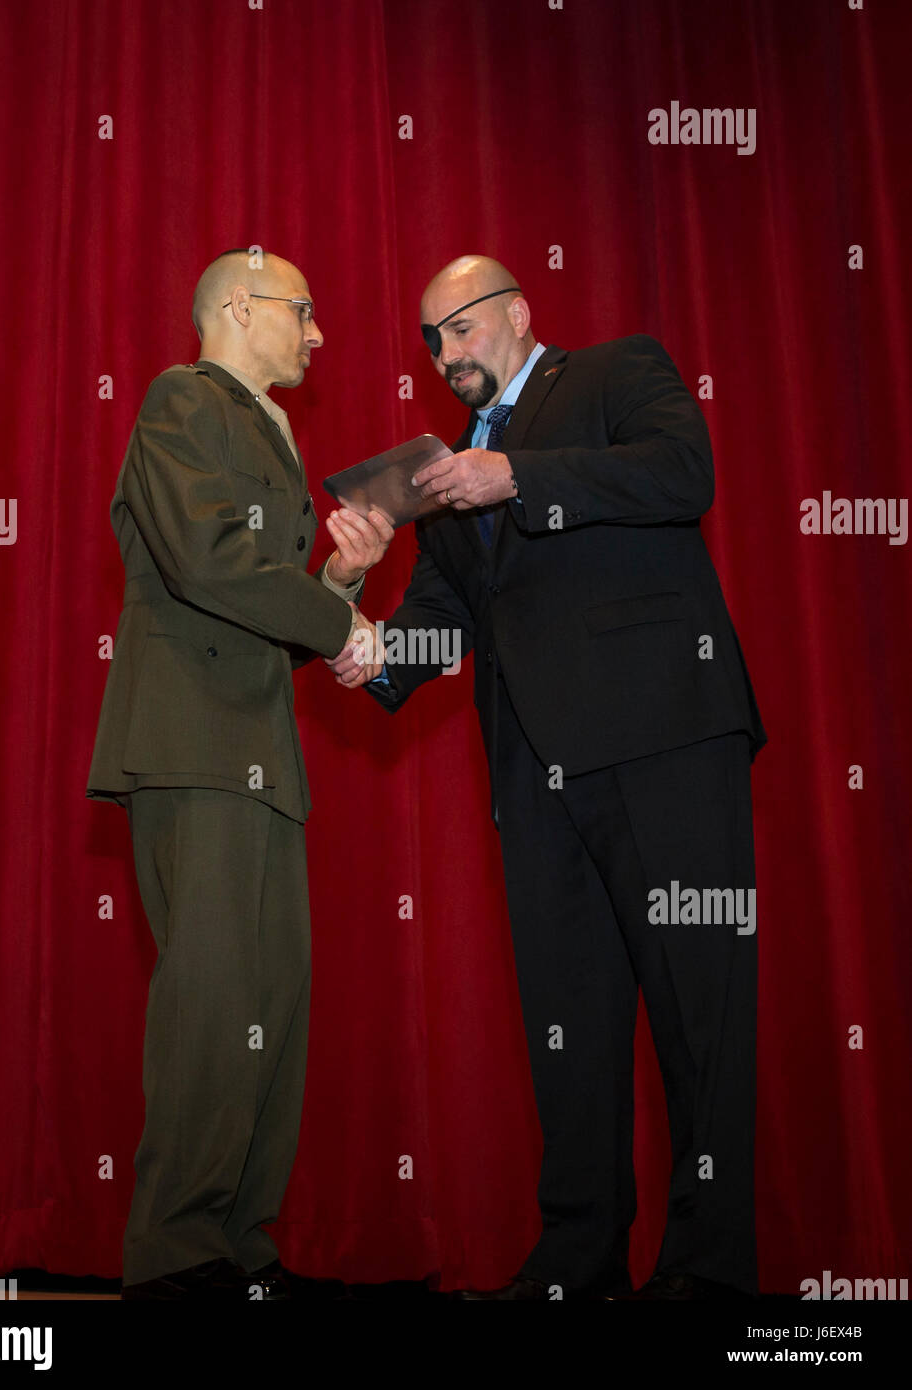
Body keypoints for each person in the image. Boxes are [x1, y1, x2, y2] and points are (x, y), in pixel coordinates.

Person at [328, 254, 766, 1300]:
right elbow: (446, 621)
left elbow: (681, 470)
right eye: (432, 342)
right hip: (535, 773)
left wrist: (519, 474)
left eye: (463, 329)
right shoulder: (445, 472)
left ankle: (706, 1276)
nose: (447, 355)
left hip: (664, 741)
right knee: (566, 1023)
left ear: (519, 315)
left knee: (700, 1015)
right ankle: (578, 1257)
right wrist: (364, 643)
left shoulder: (615, 373)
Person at [87, 248, 391, 1300]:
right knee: (215, 1000)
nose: (317, 335)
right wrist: (344, 624)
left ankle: (241, 1250)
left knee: (274, 1000)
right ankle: (177, 1255)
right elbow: (210, 558)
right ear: (241, 305)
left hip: (259, 753)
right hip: (196, 743)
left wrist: (338, 585)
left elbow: (256, 590)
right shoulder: (183, 400)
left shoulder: (267, 426)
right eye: (303, 312)